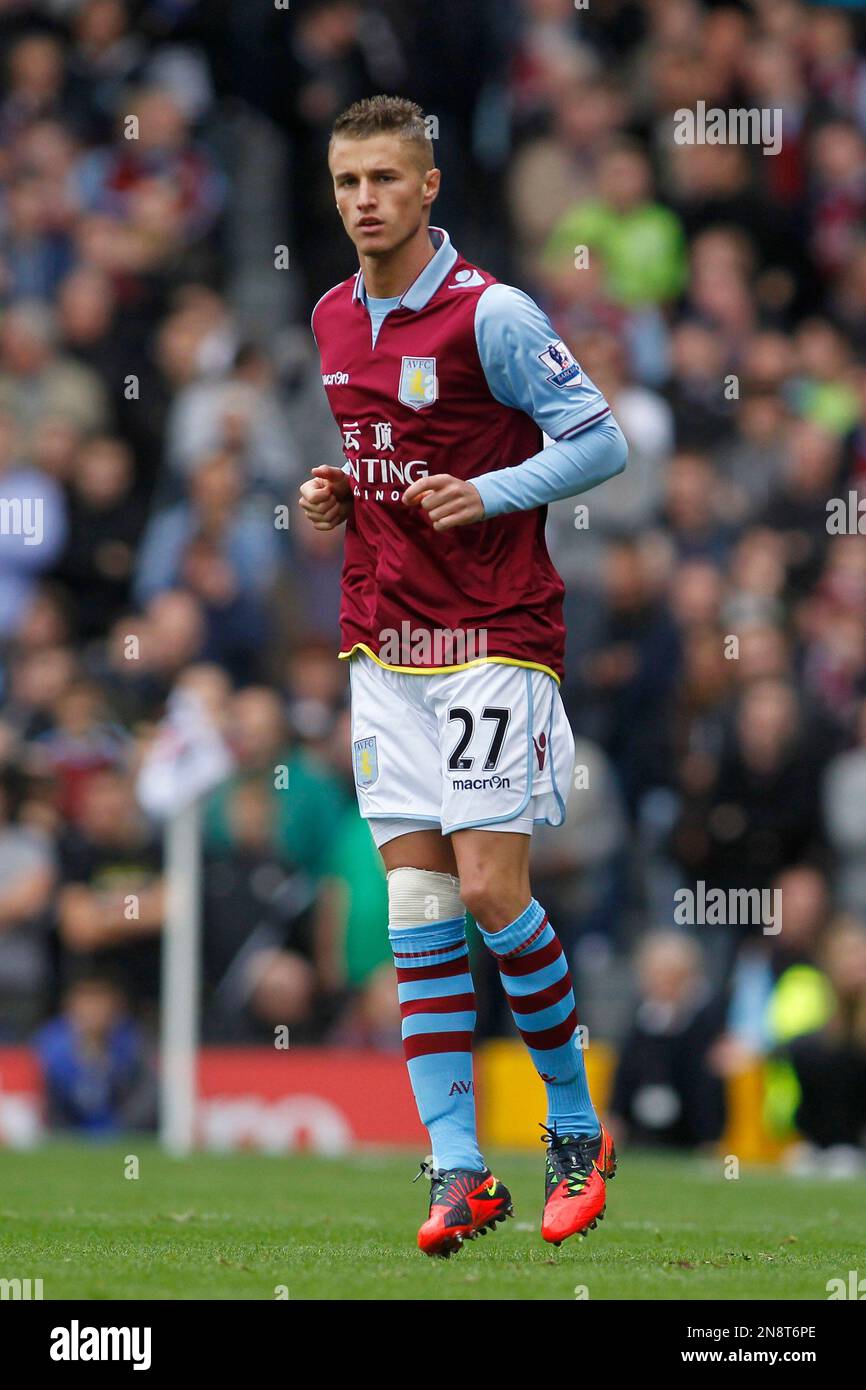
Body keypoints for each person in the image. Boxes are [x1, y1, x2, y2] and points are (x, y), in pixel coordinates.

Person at [298, 96, 627, 1257]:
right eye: (347, 183)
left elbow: (599, 438)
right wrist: (333, 495)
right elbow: (379, 453)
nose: (364, 200)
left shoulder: (491, 314)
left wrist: (487, 494)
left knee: (492, 890)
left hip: (491, 633)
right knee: (419, 909)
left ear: (428, 186)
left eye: (385, 178)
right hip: (382, 645)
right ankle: (456, 1170)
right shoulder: (332, 316)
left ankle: (576, 1129)